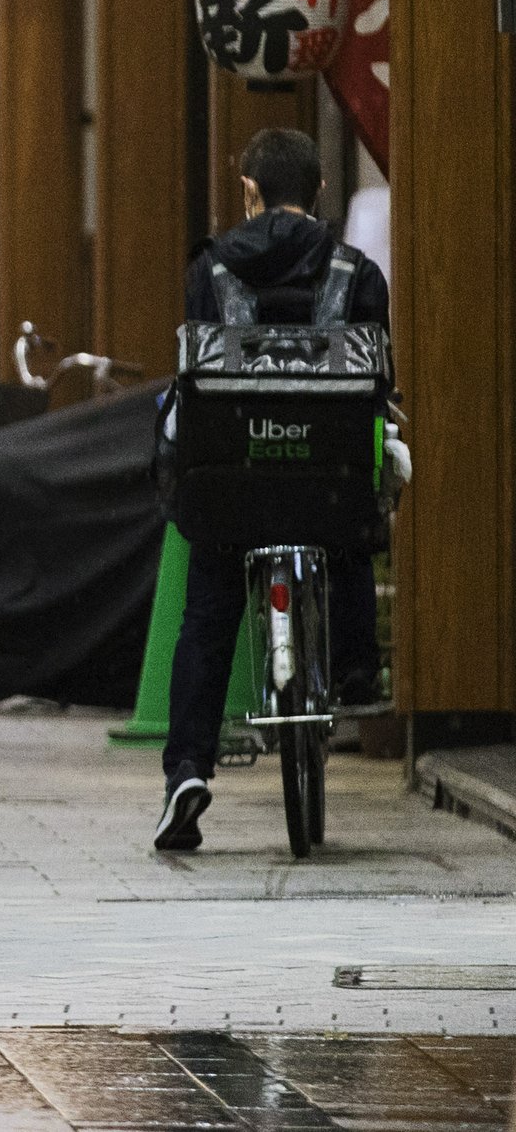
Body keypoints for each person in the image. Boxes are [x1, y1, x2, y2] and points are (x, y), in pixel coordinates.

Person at [155, 126, 389, 854]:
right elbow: (379, 389)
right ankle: (353, 668)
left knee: (209, 607)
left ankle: (188, 770)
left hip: (233, 484)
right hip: (326, 488)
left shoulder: (210, 268)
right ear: (318, 191)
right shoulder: (358, 273)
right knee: (351, 506)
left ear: (250, 192)